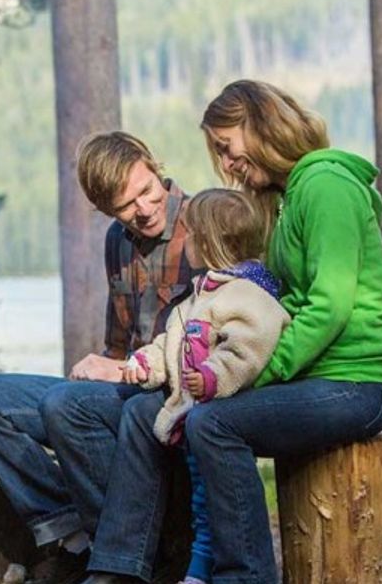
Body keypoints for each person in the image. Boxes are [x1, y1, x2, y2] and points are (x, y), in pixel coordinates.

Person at [81, 80, 382, 584]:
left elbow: (330, 308)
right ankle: (168, 563)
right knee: (180, 414)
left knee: (214, 424)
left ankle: (242, 576)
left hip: (352, 385)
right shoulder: (289, 196)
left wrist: (256, 373)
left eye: (227, 147)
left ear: (262, 125)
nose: (227, 164)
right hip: (316, 379)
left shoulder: (326, 186)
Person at [0, 131, 202, 581]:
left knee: (66, 404)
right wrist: (99, 371)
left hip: (173, 397)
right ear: (105, 208)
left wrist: (120, 371)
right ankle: (72, 533)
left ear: (155, 168)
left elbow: (215, 349)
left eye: (147, 190)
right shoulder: (117, 240)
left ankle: (125, 561)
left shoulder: (204, 224)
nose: (144, 209)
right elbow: (118, 342)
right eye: (125, 206)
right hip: (124, 391)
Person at [119, 188, 290, 584]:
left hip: (220, 413)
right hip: (192, 418)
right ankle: (199, 573)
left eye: (192, 234)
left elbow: (250, 345)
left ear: (212, 243)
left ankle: (209, 574)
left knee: (216, 501)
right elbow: (173, 341)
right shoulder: (201, 296)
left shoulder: (248, 295)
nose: (186, 242)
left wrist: (215, 375)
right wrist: (146, 362)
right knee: (203, 501)